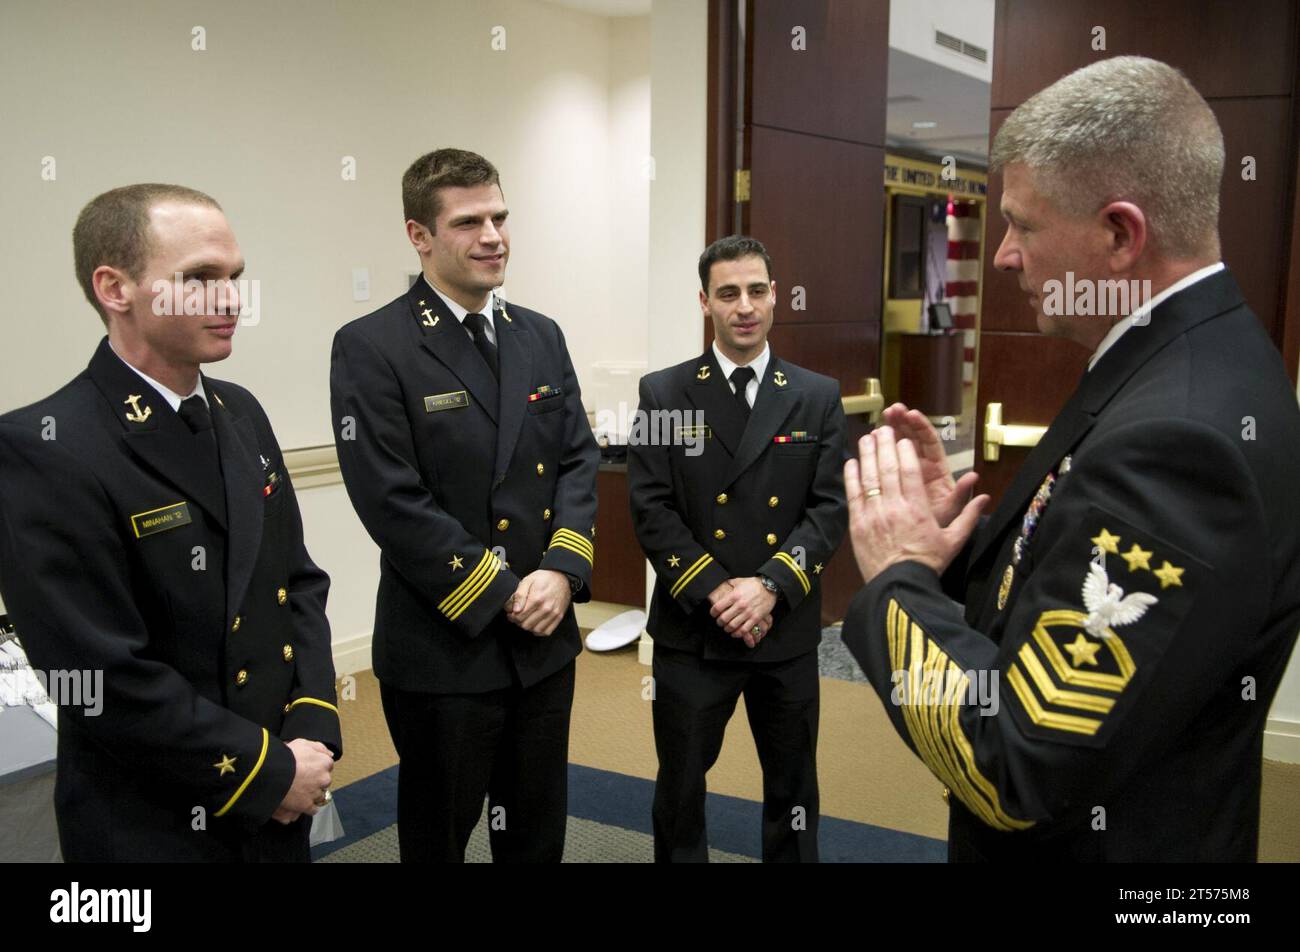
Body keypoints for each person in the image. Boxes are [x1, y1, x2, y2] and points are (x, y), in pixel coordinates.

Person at [840, 56, 1300, 861]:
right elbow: (1052, 588)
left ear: (1121, 234)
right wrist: (954, 555)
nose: (1004, 256)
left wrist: (897, 581)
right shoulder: (1184, 358)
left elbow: (1015, 767)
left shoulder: (1182, 441)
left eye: (1022, 223)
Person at [0, 184, 339, 862]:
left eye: (235, 277)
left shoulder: (239, 412)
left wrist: (313, 724)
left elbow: (295, 582)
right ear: (114, 288)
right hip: (158, 817)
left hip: (283, 786)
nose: (230, 300)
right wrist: (262, 770)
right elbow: (98, 675)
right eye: (200, 279)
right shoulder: (47, 444)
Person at [330, 149, 599, 862]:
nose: (493, 236)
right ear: (420, 235)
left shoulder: (539, 334)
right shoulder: (373, 346)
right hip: (446, 646)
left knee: (537, 828)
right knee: (439, 833)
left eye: (501, 217)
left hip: (544, 639)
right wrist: (506, 591)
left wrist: (563, 572)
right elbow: (391, 498)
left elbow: (577, 459)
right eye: (469, 222)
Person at [628, 235, 847, 862]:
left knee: (793, 789)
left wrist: (771, 584)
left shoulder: (815, 395)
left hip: (784, 625)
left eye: (756, 290)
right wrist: (718, 591)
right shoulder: (665, 393)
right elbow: (651, 506)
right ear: (706, 302)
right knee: (680, 788)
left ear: (775, 296)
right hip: (696, 628)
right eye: (728, 293)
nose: (744, 306)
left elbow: (829, 509)